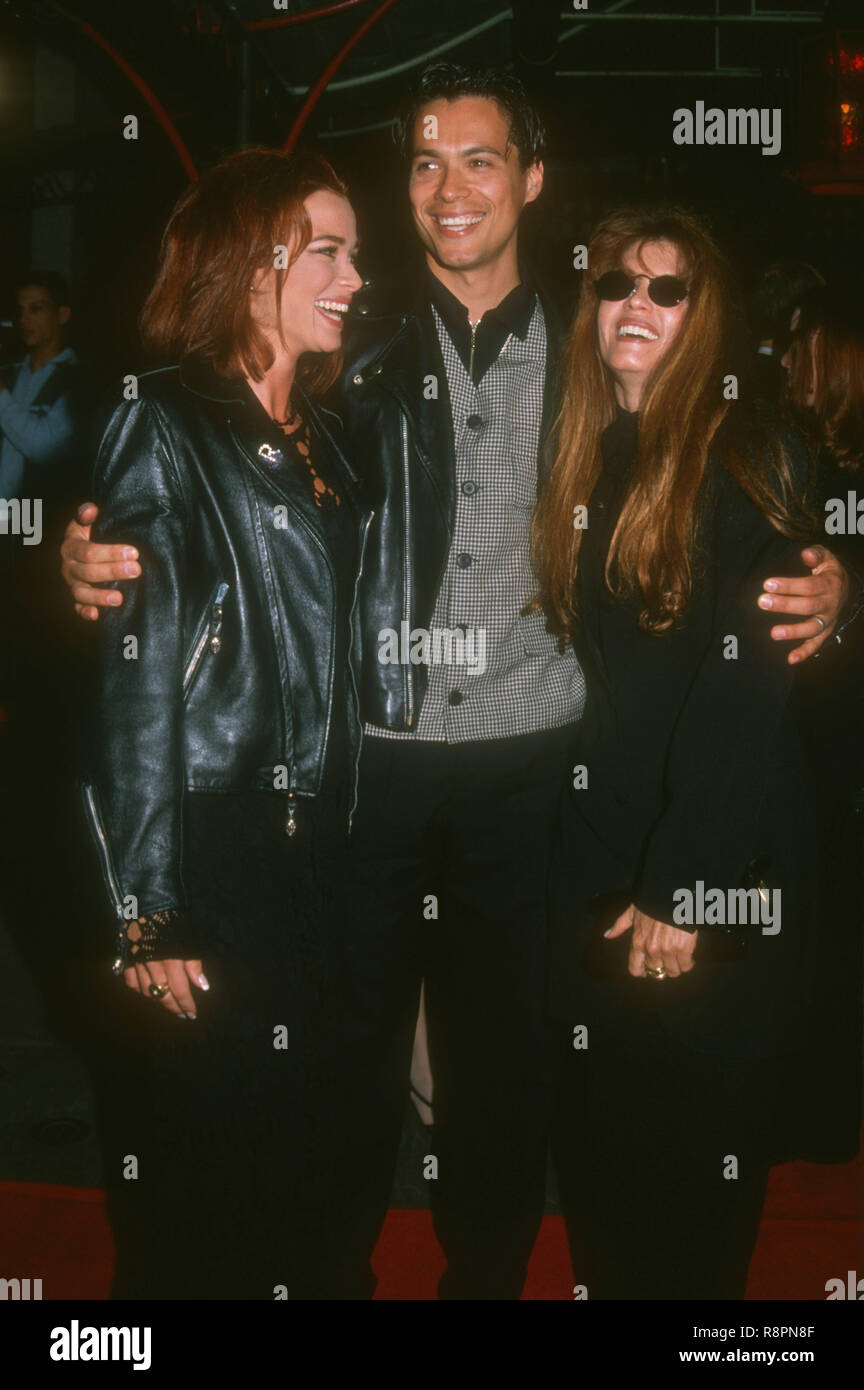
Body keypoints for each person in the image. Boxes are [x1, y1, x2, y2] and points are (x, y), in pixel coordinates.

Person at [59, 66, 850, 1301]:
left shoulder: (596, 350)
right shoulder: (346, 343)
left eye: (479, 159)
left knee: (506, 1065)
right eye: (425, 163)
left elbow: (713, 493)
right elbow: (217, 445)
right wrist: (89, 553)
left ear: (530, 181)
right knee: (338, 1053)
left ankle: (479, 1277)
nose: (449, 186)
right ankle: (325, 1273)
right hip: (368, 759)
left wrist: (830, 570)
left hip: (536, 769)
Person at [536, 205, 852, 1300]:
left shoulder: (748, 449)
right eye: (619, 281)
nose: (638, 303)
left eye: (669, 290)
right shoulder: (577, 448)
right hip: (601, 862)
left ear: (702, 318)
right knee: (611, 1165)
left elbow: (749, 680)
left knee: (695, 1187)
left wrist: (685, 881)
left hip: (717, 874)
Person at [79, 146, 366, 1299]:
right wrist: (148, 906)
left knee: (303, 1151)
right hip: (215, 840)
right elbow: (131, 678)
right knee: (202, 1171)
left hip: (324, 852)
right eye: (331, 249)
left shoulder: (334, 438)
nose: (357, 273)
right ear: (255, 270)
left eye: (359, 249)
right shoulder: (164, 419)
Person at [0, 272, 83, 504]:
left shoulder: (77, 379)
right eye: (20, 311)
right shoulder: (9, 372)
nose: (23, 320)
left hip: (38, 518)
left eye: (35, 309)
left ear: (62, 315)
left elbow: (43, 448)